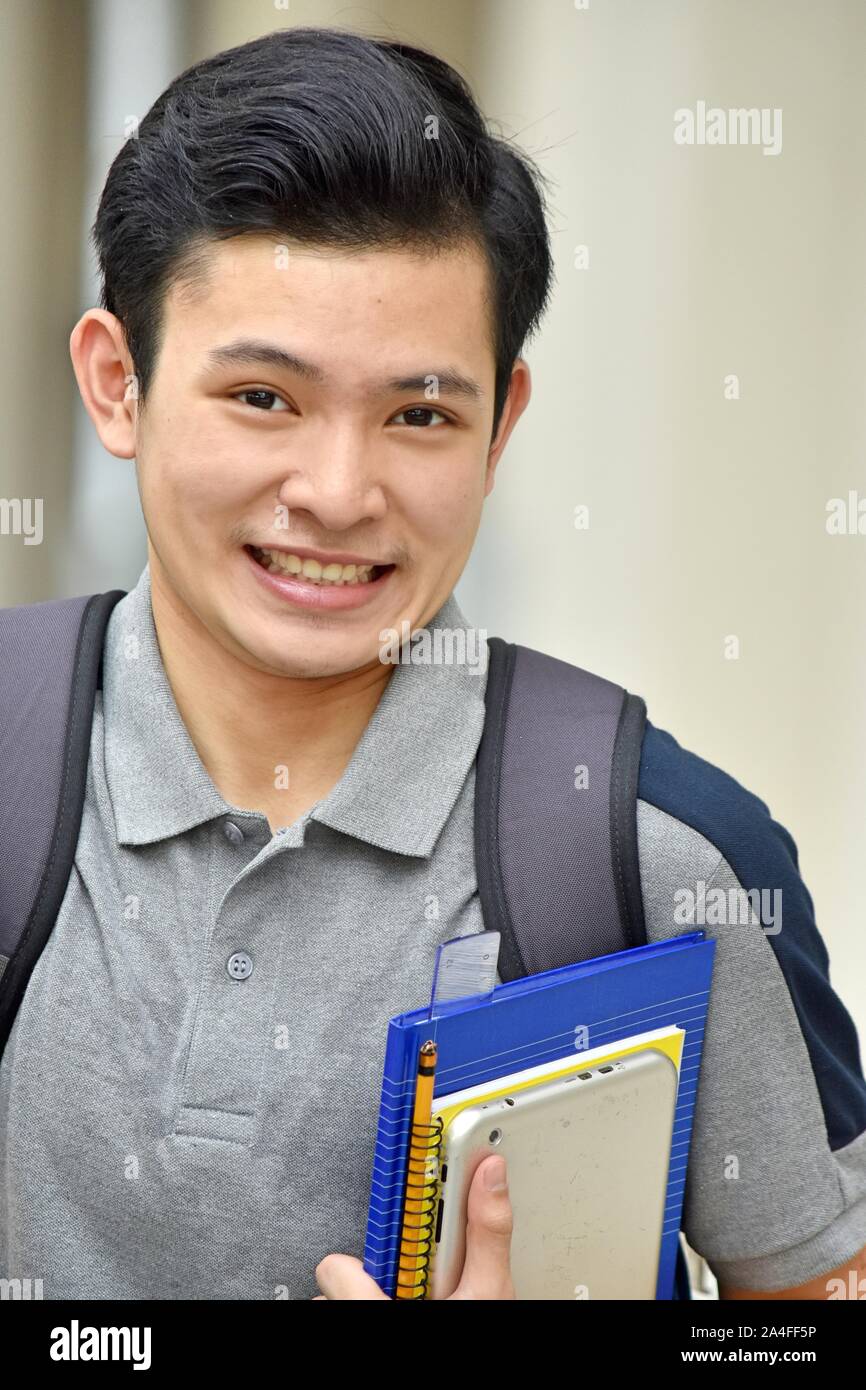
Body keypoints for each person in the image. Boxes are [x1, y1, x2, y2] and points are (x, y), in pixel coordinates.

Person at [1, 26, 864, 1302]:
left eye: (417, 414)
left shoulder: (659, 856)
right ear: (117, 382)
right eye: (263, 398)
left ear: (499, 424)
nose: (338, 493)